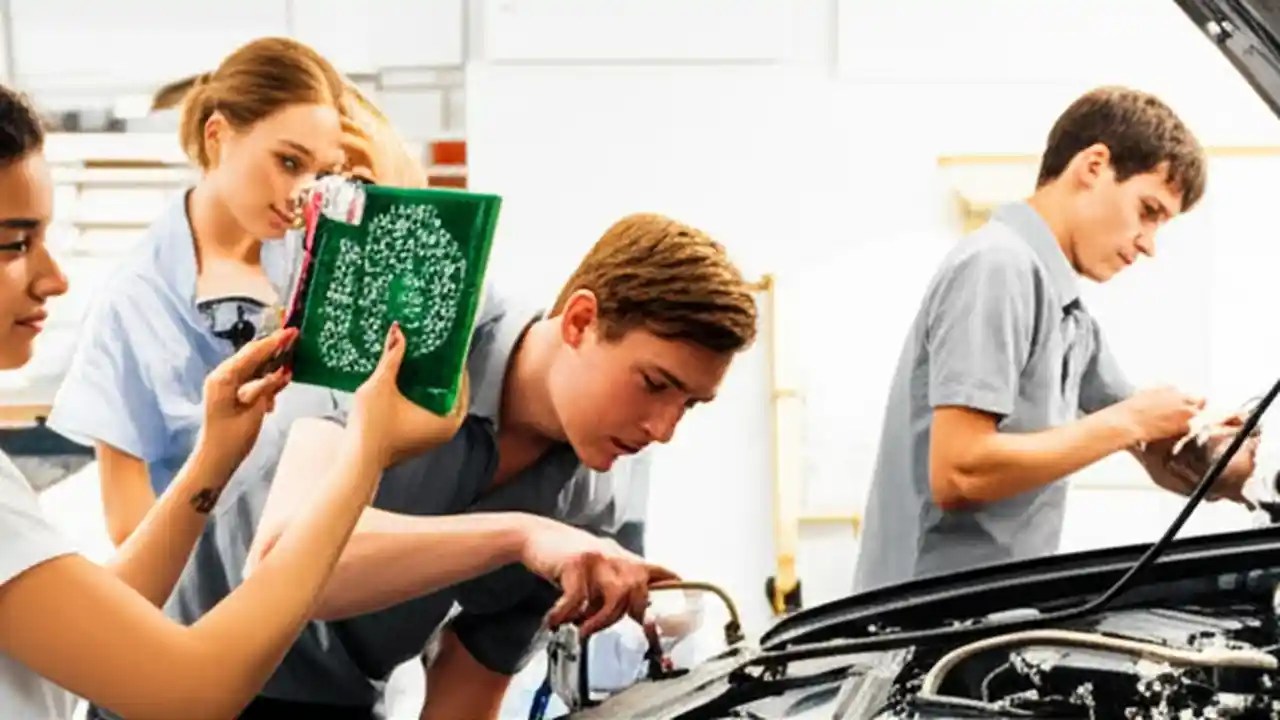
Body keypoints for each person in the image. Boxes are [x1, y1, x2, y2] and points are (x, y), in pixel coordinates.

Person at [130, 213, 759, 720]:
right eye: (653, 384)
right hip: (169, 683)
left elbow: (472, 679)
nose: (663, 429)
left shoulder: (600, 496)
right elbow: (283, 562)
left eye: (691, 405)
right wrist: (521, 536)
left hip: (338, 704)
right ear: (581, 321)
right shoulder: (408, 337)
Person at [0, 80, 467, 719]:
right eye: (13, 244)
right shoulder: (138, 295)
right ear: (218, 139)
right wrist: (364, 456)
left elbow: (96, 623)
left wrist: (214, 458)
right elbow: (191, 691)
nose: (55, 277)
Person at [852, 85, 1260, 594]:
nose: (1150, 244)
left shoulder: (1068, 314)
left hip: (987, 610)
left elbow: (1150, 440)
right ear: (1093, 166)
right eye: (1148, 211)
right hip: (922, 622)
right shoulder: (997, 267)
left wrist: (1218, 454)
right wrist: (1129, 422)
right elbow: (960, 473)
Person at [46, 37, 414, 547]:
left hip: (324, 555)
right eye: (288, 162)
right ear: (217, 135)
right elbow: (130, 530)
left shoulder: (315, 260)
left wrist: (382, 204)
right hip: (207, 586)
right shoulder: (134, 302)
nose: (299, 193)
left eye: (322, 173)